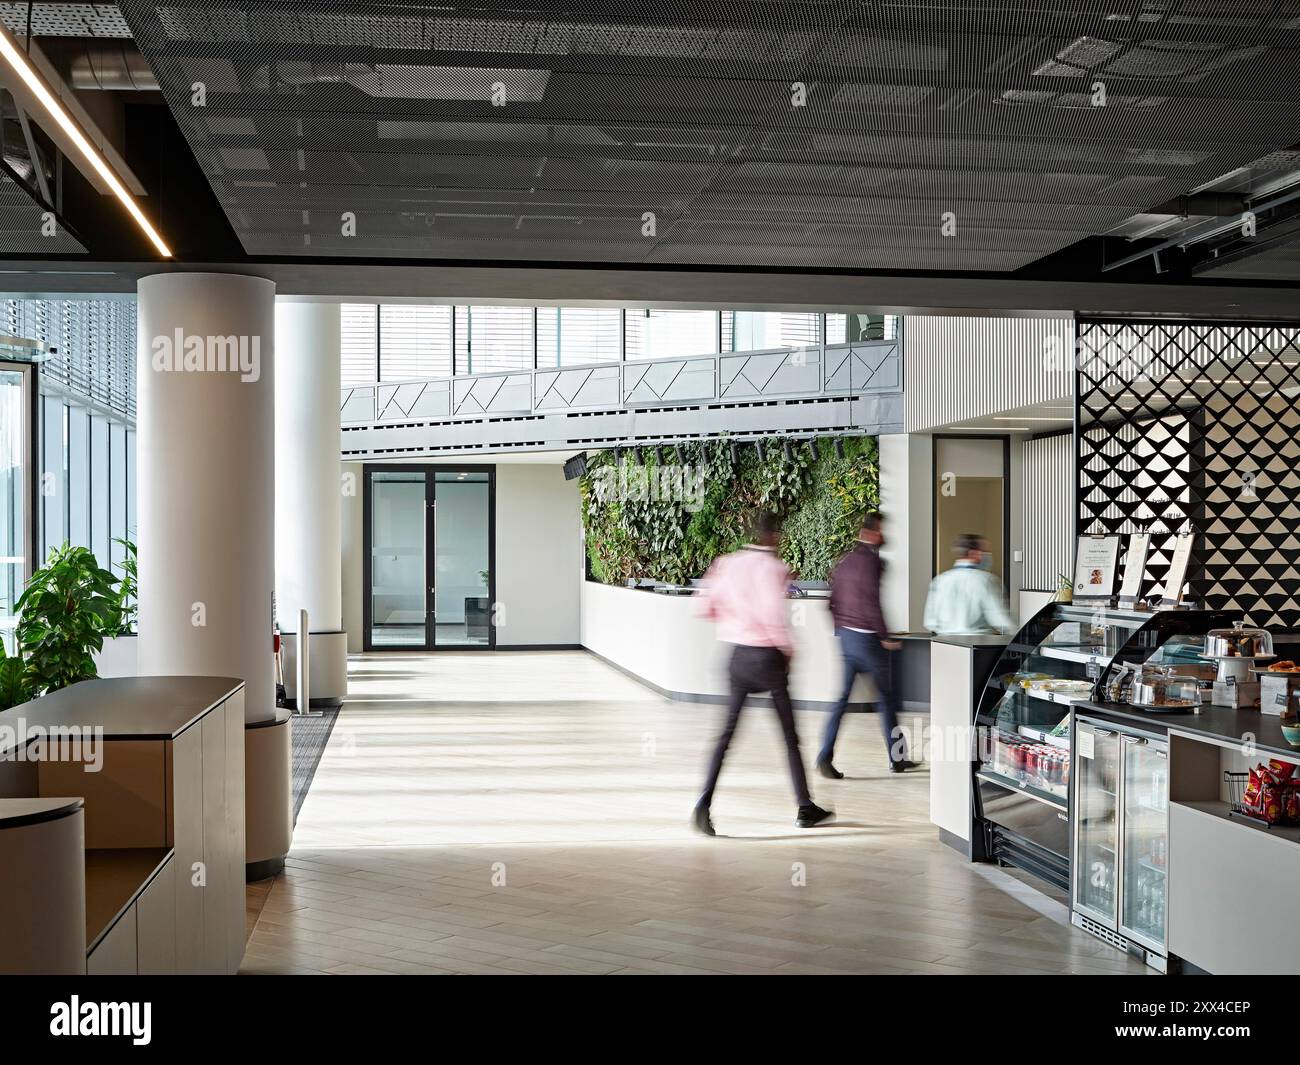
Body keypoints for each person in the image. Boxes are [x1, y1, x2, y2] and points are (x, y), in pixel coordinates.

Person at [692, 511, 834, 835]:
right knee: (789, 737)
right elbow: (774, 620)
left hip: (737, 657)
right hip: (767, 659)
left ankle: (703, 805)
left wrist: (736, 621)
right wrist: (790, 652)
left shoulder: (727, 563)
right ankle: (804, 807)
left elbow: (704, 606)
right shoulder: (774, 568)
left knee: (725, 737)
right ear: (774, 536)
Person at [817, 512, 918, 778]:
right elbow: (873, 604)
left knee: (841, 700)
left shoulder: (845, 561)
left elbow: (830, 603)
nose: (885, 536)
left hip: (847, 640)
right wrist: (885, 637)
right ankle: (897, 759)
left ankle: (824, 756)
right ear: (873, 532)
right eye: (882, 530)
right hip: (868, 641)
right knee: (887, 698)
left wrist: (840, 631)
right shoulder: (872, 563)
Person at [923, 533, 1016, 636]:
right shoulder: (986, 580)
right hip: (976, 645)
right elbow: (1000, 619)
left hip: (943, 643)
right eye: (985, 551)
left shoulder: (940, 580)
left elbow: (930, 622)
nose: (988, 555)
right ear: (974, 553)